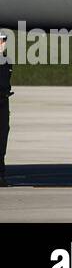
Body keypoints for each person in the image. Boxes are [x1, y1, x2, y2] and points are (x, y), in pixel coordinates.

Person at [0, 30, 11, 187]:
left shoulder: (7, 61)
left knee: (2, 138)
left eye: (3, 40)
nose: (2, 43)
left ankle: (1, 175)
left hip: (3, 102)